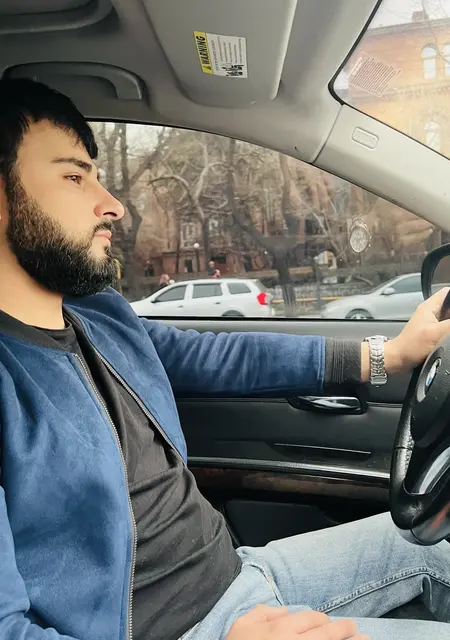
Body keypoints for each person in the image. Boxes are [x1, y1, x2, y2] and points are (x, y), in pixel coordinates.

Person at [0, 77, 449, 640]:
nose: (112, 204)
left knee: (439, 545)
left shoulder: (98, 316)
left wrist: (391, 354)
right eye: (74, 176)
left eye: (97, 174)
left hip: (240, 574)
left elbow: (223, 355)